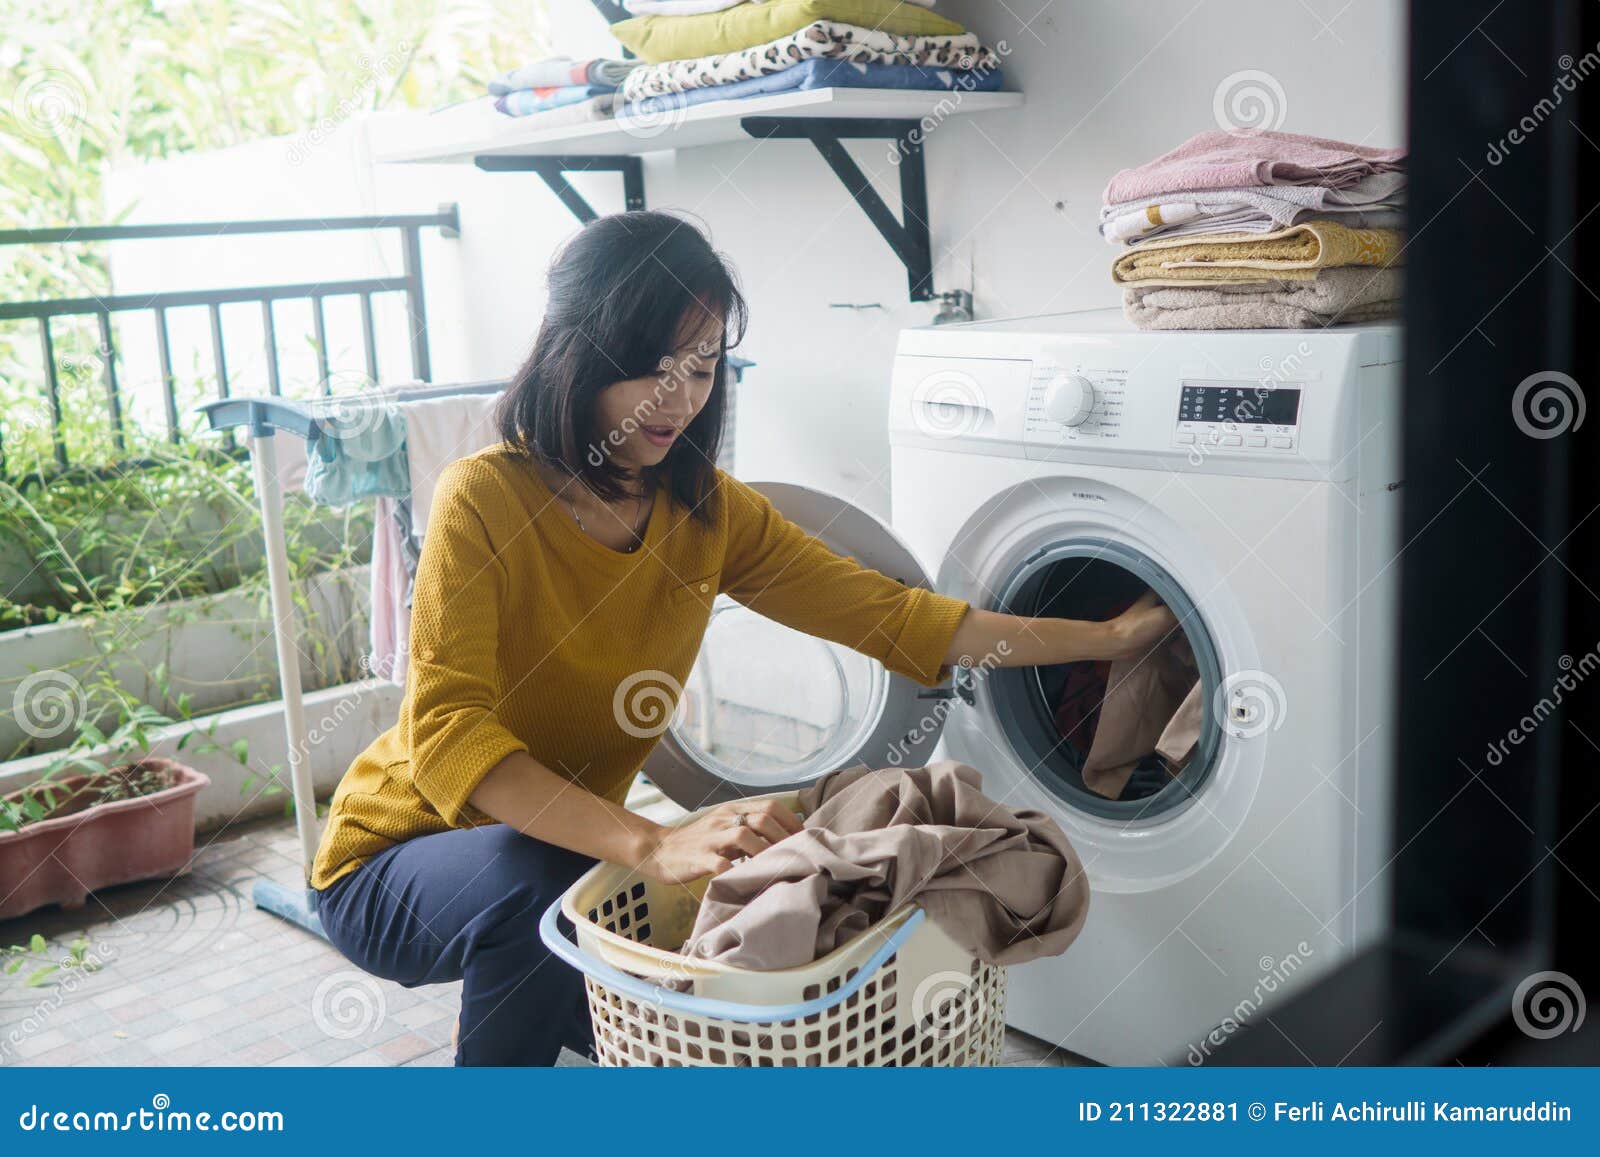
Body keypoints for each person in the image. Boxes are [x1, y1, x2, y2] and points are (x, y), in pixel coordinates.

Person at [310, 211, 1178, 1065]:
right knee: (544, 886)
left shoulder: (704, 513)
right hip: (392, 858)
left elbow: (893, 615)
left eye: (700, 366)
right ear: (576, 351)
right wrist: (651, 842)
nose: (678, 399)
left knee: (707, 1021)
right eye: (651, 365)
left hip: (552, 854)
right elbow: (451, 734)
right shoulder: (483, 498)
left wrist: (1105, 636)